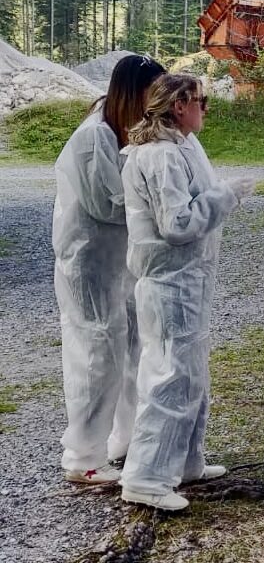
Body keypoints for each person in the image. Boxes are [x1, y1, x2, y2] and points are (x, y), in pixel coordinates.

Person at [118, 74, 255, 511]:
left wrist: (216, 195)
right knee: (171, 378)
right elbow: (177, 225)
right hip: (169, 281)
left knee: (192, 374)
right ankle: (146, 477)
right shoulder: (159, 157)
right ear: (178, 106)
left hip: (186, 280)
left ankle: (186, 460)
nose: (205, 109)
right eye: (201, 101)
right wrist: (225, 197)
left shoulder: (179, 147)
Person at [52, 54, 166, 484]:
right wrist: (158, 201)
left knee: (130, 348)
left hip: (117, 260)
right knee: (96, 356)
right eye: (151, 93)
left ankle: (127, 439)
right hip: (88, 262)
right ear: (131, 92)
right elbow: (108, 205)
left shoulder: (122, 132)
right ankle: (83, 456)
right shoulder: (93, 137)